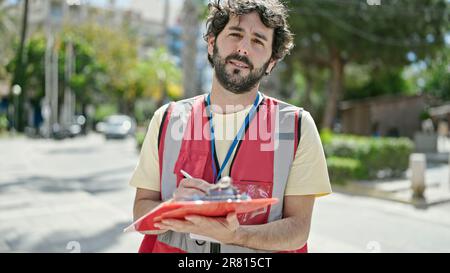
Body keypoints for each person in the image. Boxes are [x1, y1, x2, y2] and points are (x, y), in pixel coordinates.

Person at [129, 0, 331, 253]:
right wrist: (172, 206)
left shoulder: (297, 126)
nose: (243, 48)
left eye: (258, 41)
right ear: (212, 43)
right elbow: (140, 214)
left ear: (271, 62)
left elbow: (298, 231)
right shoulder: (167, 119)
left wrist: (237, 235)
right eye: (235, 34)